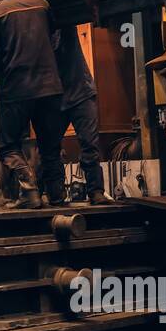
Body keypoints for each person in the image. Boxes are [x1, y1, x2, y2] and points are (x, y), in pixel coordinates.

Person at [0, 0, 64, 209]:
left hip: (17, 89)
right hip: (51, 87)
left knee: (6, 144)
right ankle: (57, 196)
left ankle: (29, 190)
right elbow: (55, 38)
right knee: (50, 145)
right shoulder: (42, 4)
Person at [39, 24, 108, 205]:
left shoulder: (64, 24)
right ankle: (56, 195)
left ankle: (95, 192)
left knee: (89, 145)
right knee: (49, 150)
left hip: (80, 92)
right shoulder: (33, 33)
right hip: (53, 97)